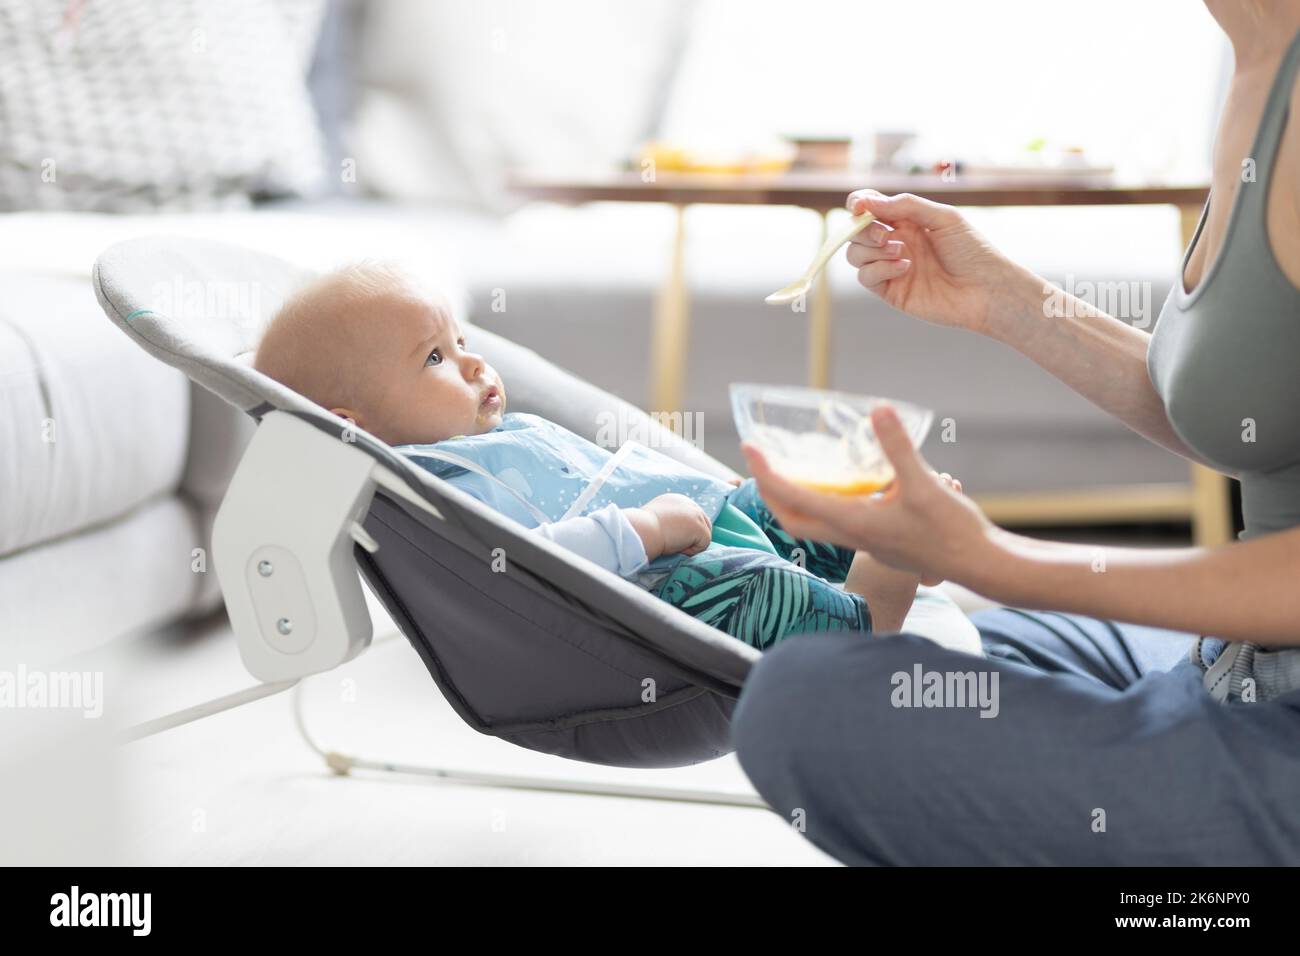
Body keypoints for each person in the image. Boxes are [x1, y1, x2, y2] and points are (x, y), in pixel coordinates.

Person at [732, 0, 1300, 865]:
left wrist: (995, 559)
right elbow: (1257, 416)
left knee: (807, 705)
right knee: (916, 644)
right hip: (1239, 655)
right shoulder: (1257, 59)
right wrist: (1003, 297)